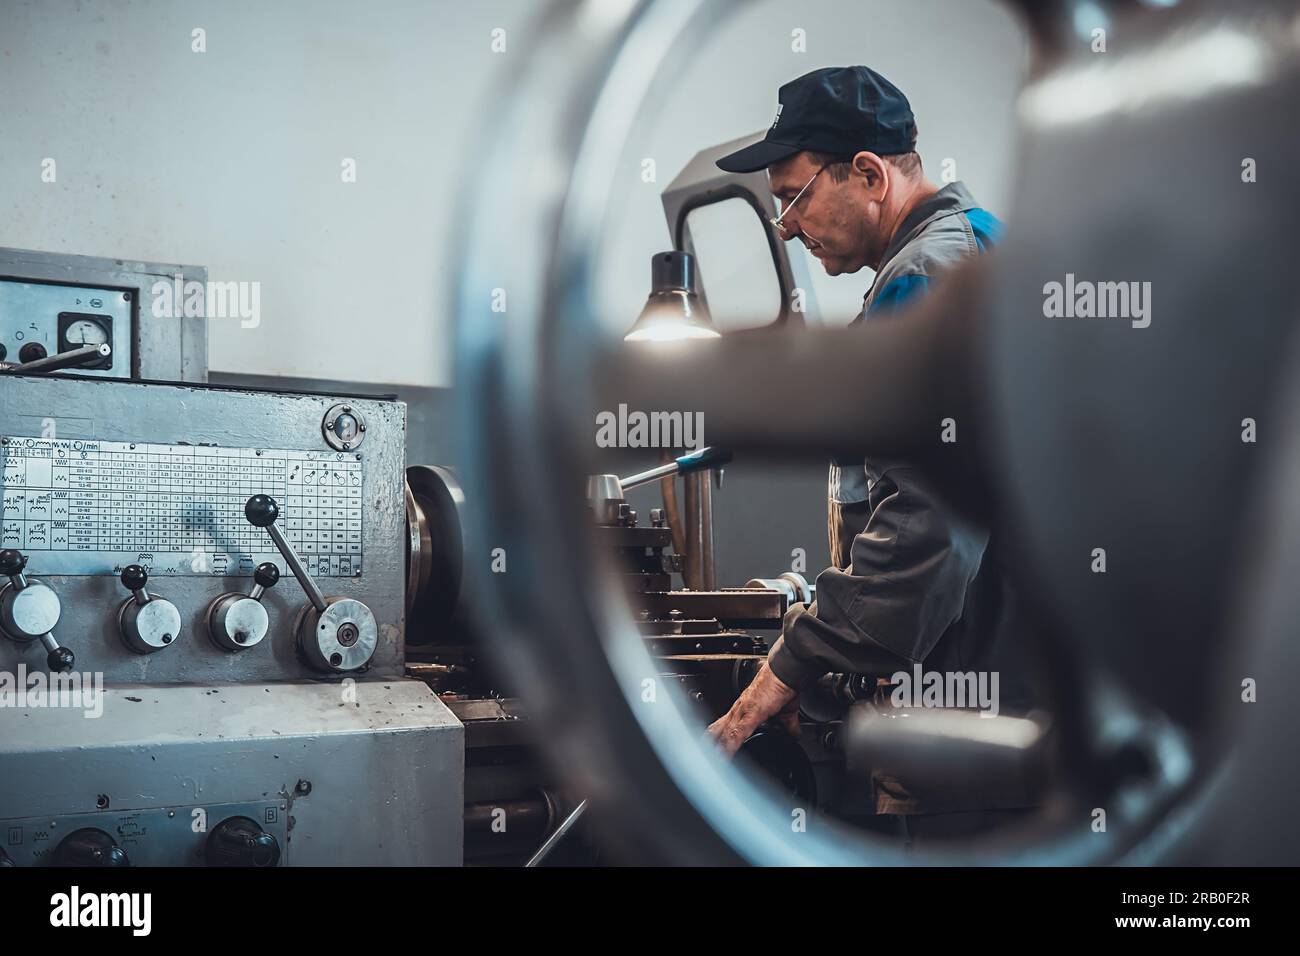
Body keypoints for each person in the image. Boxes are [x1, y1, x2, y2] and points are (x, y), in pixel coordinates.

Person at [705, 66, 1039, 844]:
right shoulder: (987, 248)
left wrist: (788, 670)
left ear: (867, 173)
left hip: (975, 742)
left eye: (792, 196)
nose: (785, 225)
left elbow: (926, 532)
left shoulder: (921, 280)